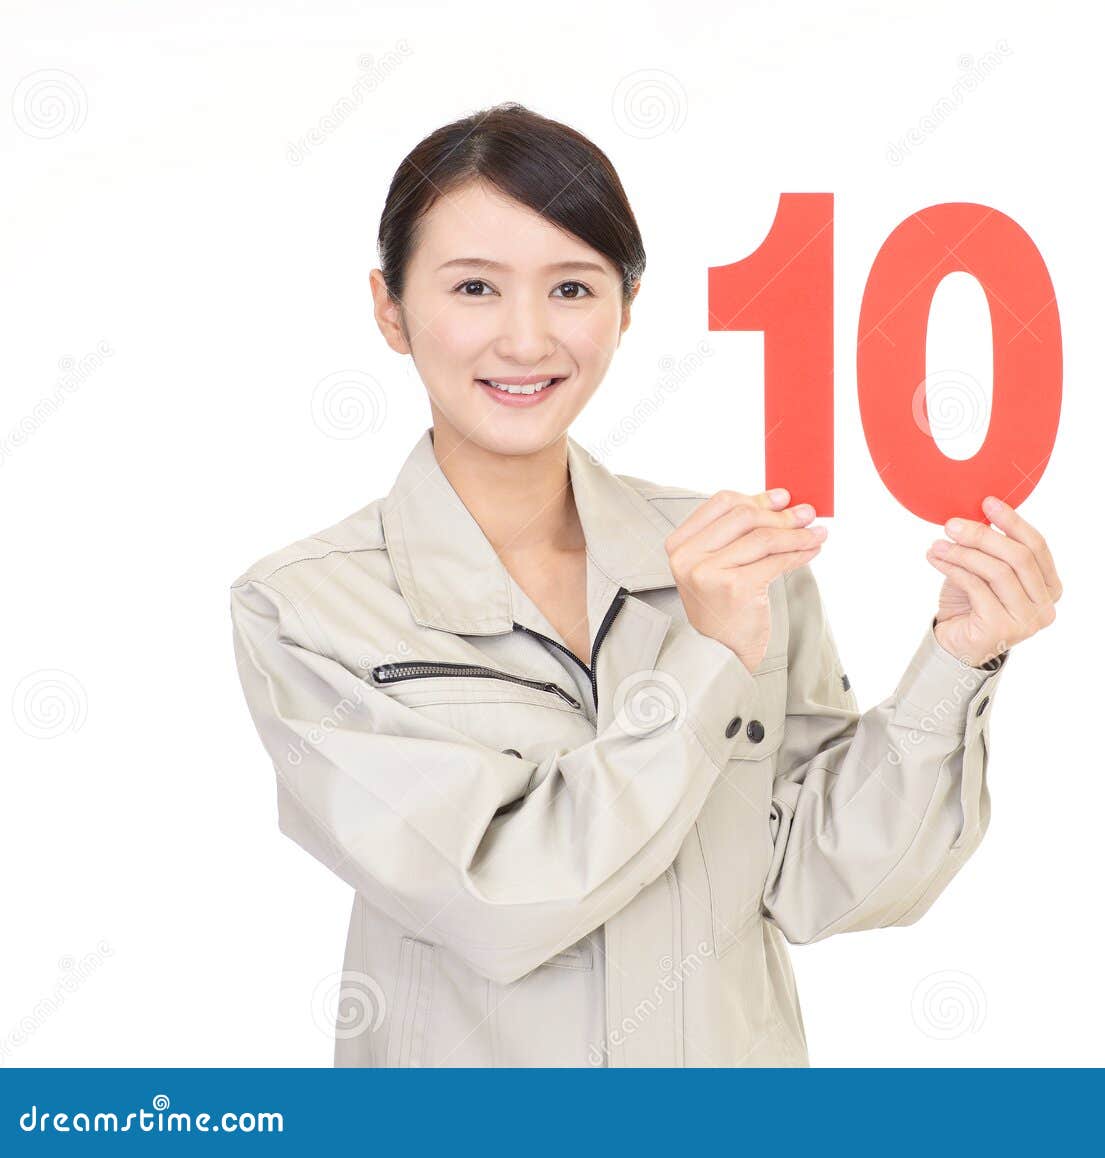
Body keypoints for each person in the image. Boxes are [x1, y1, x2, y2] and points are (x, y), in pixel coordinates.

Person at [227, 102, 1061, 1067]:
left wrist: (955, 664)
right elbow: (497, 897)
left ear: (626, 308)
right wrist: (704, 662)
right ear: (390, 309)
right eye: (475, 288)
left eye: (572, 288)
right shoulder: (307, 609)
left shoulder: (728, 556)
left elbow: (822, 883)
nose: (527, 340)